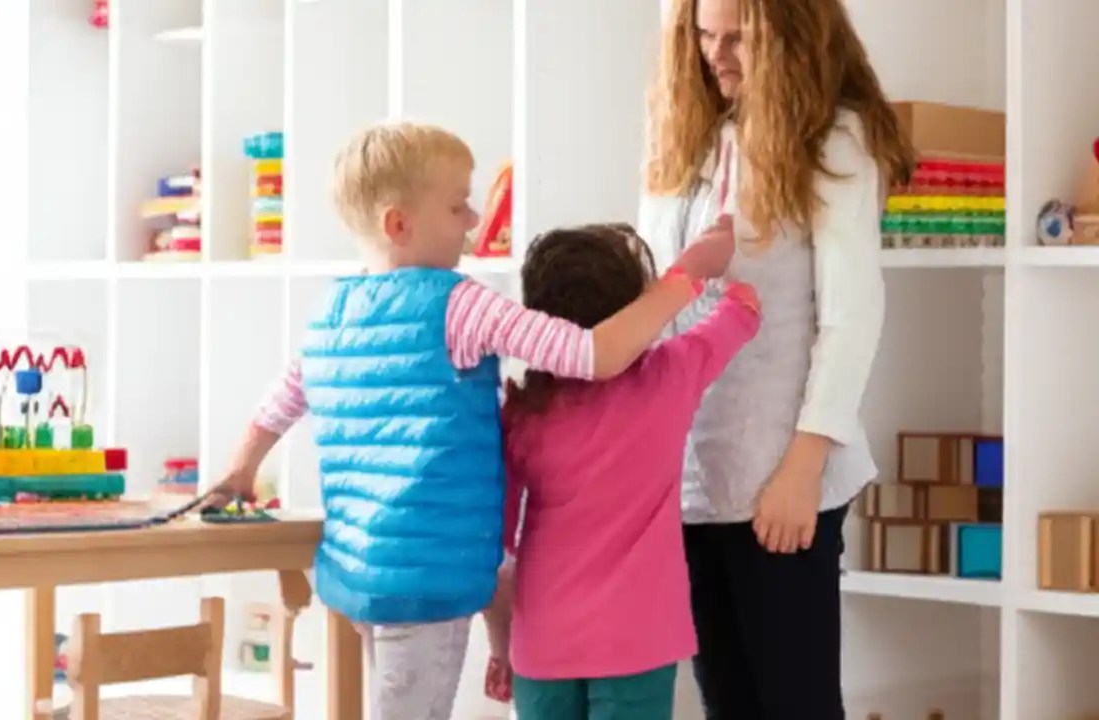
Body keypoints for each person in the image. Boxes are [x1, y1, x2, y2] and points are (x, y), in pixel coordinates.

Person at [209, 120, 736, 720]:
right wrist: (688, 274)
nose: (472, 222)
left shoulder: (331, 314)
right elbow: (596, 354)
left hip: (356, 573)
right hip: (427, 578)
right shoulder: (460, 305)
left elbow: (277, 404)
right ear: (398, 224)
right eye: (458, 206)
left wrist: (239, 471)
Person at [639, 0, 915, 718]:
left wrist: (803, 466)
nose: (717, 55)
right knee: (725, 701)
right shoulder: (691, 143)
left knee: (795, 703)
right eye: (703, 36)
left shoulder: (835, 141)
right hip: (695, 477)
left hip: (784, 475)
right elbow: (658, 300)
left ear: (792, 37)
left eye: (740, 39)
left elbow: (852, 317)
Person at [484, 223, 760, 720]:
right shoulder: (670, 376)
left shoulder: (520, 415)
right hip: (638, 639)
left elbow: (496, 550)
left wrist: (500, 644)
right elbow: (743, 311)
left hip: (542, 641)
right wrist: (724, 250)